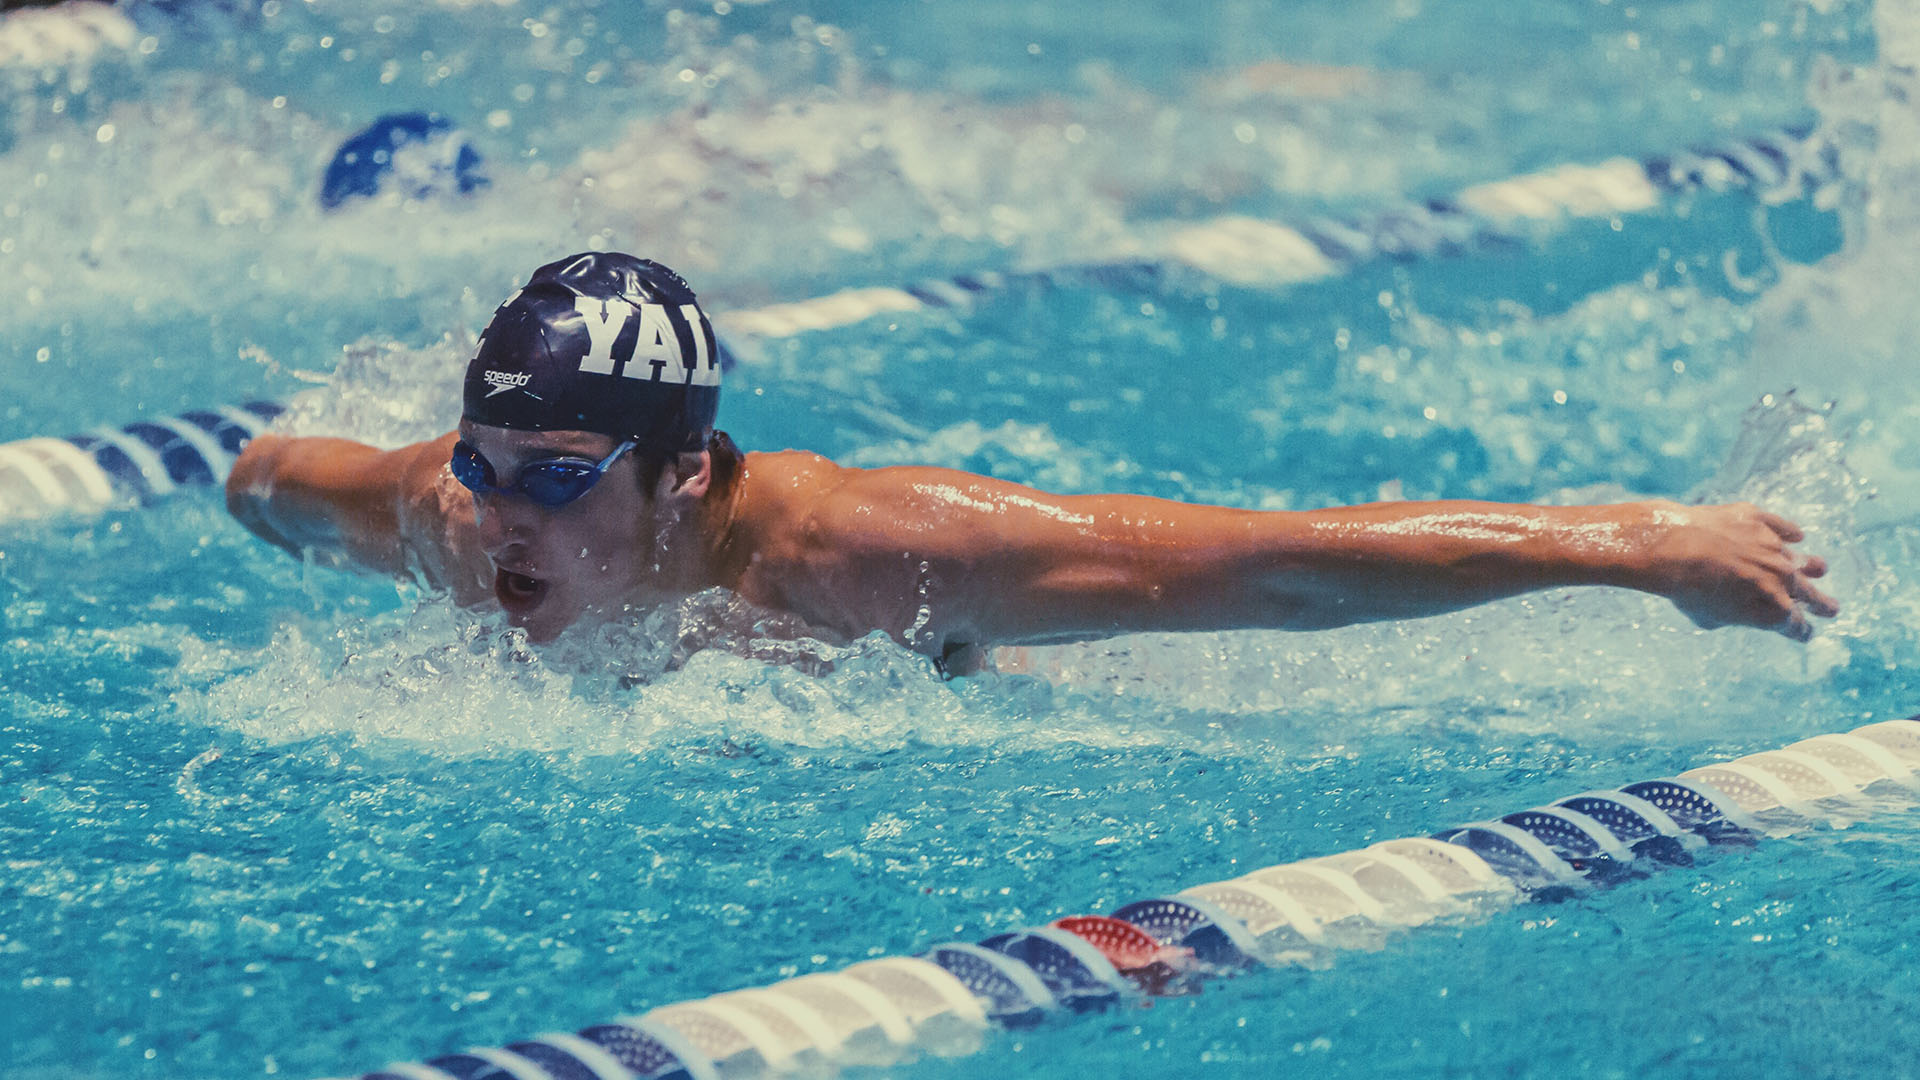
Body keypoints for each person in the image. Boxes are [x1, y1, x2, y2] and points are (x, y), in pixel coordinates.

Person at [226, 251, 1840, 676]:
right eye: (491, 463)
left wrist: (1637, 546)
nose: (504, 515)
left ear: (689, 474)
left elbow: (1269, 563)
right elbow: (274, 480)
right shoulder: (449, 520)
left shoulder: (868, 553)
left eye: (562, 476)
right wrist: (255, 480)